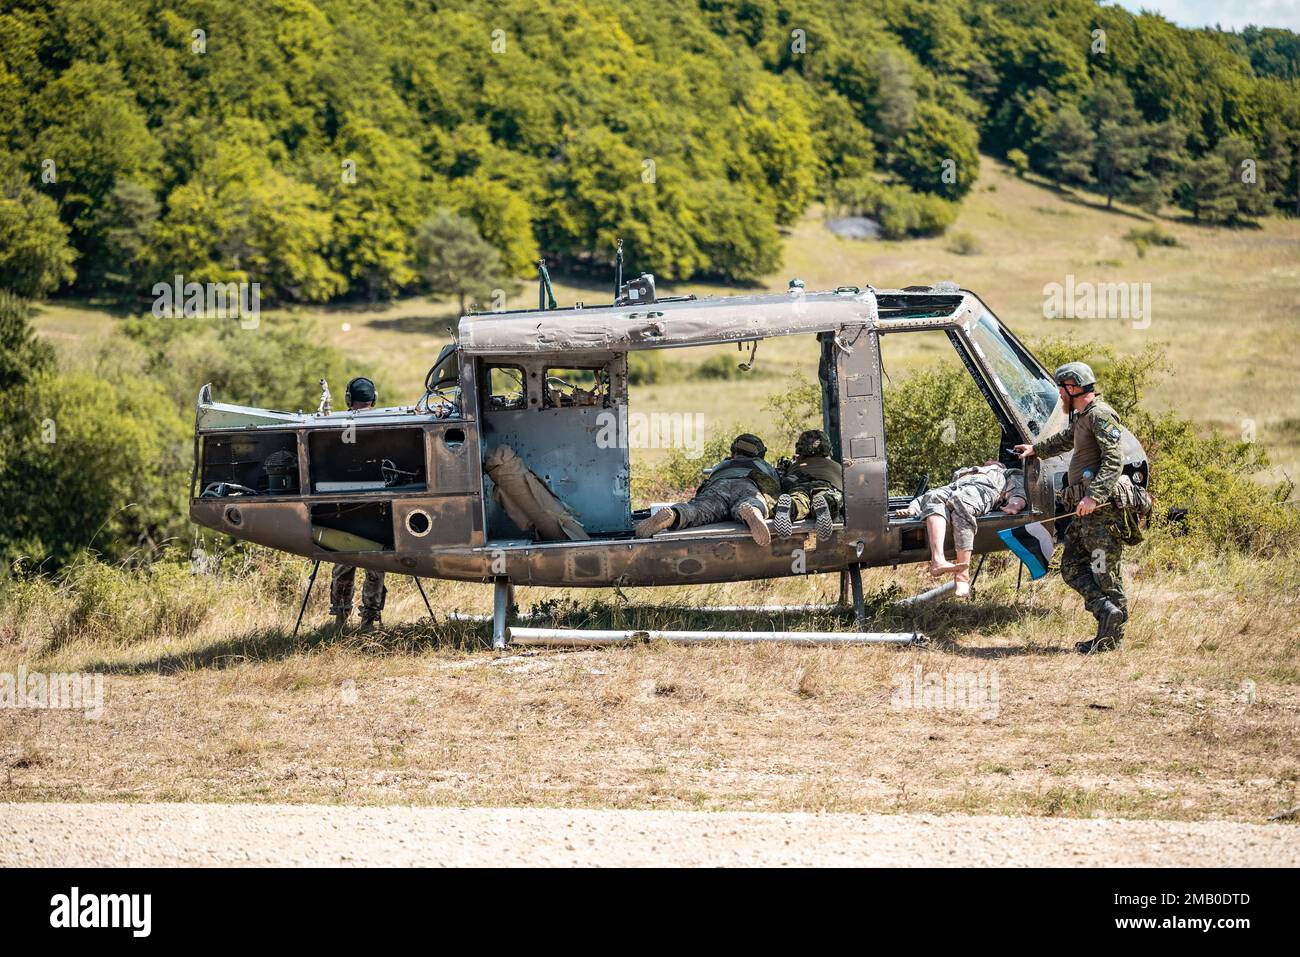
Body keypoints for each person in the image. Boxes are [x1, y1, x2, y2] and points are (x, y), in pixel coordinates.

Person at [1015, 362, 1128, 654]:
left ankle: (1111, 637)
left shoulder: (1101, 415)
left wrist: (1094, 497)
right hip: (1085, 511)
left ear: (1074, 387)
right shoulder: (1082, 417)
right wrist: (1036, 449)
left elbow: (1114, 460)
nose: (1060, 396)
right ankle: (1106, 611)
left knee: (1105, 570)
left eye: (1061, 388)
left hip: (1101, 512)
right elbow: (1066, 440)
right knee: (1071, 566)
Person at [894, 461, 1027, 597]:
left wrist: (1014, 505)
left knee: (961, 503)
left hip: (983, 490)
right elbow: (935, 492)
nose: (991, 460)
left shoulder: (1005, 473)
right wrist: (913, 508)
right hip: (955, 487)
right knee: (933, 497)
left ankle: (962, 577)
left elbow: (1018, 490)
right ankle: (937, 560)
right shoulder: (965, 471)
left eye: (996, 461)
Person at [634, 433, 780, 545]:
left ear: (734, 452)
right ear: (760, 454)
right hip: (746, 485)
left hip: (719, 485)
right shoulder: (761, 465)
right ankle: (753, 512)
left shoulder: (722, 465)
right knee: (752, 501)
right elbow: (774, 486)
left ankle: (673, 516)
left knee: (697, 510)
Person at [330, 376, 387, 630]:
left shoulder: (335, 424)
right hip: (378, 505)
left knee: (344, 559)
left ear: (348, 400)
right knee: (375, 563)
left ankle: (341, 618)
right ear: (373, 400)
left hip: (345, 506)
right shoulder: (385, 422)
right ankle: (369, 620)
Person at [773, 429, 844, 542]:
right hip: (825, 484)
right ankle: (824, 505)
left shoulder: (795, 466)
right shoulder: (836, 466)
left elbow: (783, 483)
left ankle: (792, 506)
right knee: (831, 497)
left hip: (800, 485)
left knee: (799, 499)